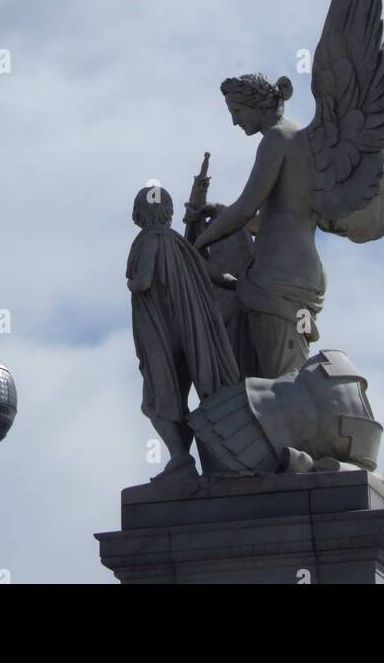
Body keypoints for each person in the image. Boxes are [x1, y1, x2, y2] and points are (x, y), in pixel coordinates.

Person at [194, 74, 325, 379]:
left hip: (281, 272)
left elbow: (245, 208)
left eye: (237, 112)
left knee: (280, 380)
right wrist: (222, 213)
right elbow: (272, 216)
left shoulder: (277, 138)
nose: (235, 122)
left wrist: (198, 245)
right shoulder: (298, 138)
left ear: (255, 105)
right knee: (272, 375)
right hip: (295, 266)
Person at [127, 185, 239, 475]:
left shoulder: (150, 240)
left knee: (155, 401)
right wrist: (242, 282)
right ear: (168, 213)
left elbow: (142, 282)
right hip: (189, 334)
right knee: (180, 394)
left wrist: (131, 283)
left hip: (161, 337)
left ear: (139, 213)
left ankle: (180, 456)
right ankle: (197, 455)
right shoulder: (180, 243)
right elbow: (218, 276)